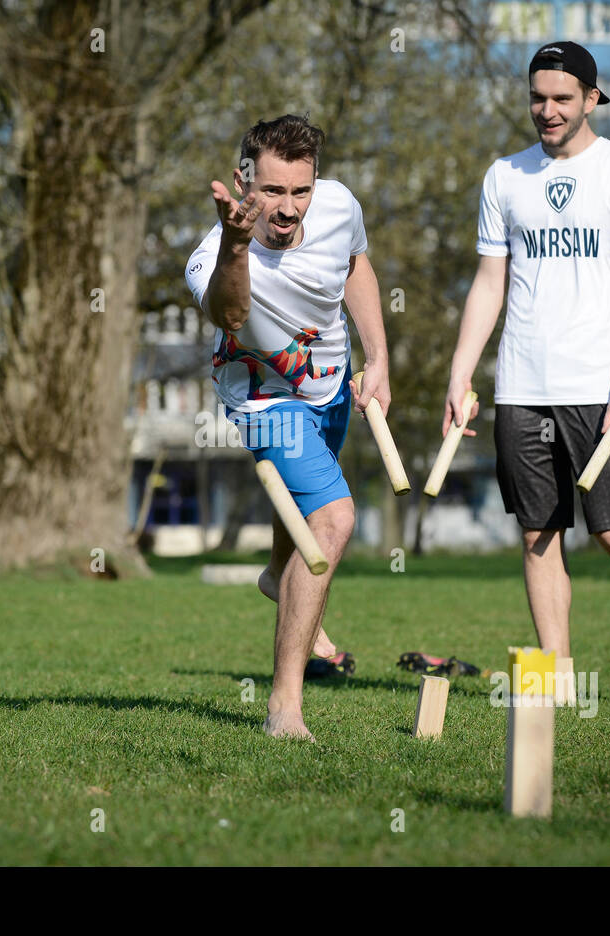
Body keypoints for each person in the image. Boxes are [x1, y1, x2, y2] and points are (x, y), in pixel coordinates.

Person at [441, 42, 610, 702]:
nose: (548, 109)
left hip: (599, 383)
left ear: (593, 98)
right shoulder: (504, 177)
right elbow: (488, 285)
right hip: (523, 384)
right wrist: (461, 374)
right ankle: (556, 678)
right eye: (538, 97)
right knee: (538, 533)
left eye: (563, 97)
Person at [186, 114, 392, 739]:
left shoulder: (337, 207)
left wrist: (379, 355)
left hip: (330, 383)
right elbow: (231, 311)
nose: (288, 207)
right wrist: (237, 245)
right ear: (243, 180)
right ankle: (285, 703)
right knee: (332, 520)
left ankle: (278, 576)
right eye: (272, 191)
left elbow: (355, 264)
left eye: (299, 191)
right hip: (263, 398)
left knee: (305, 519)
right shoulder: (208, 258)